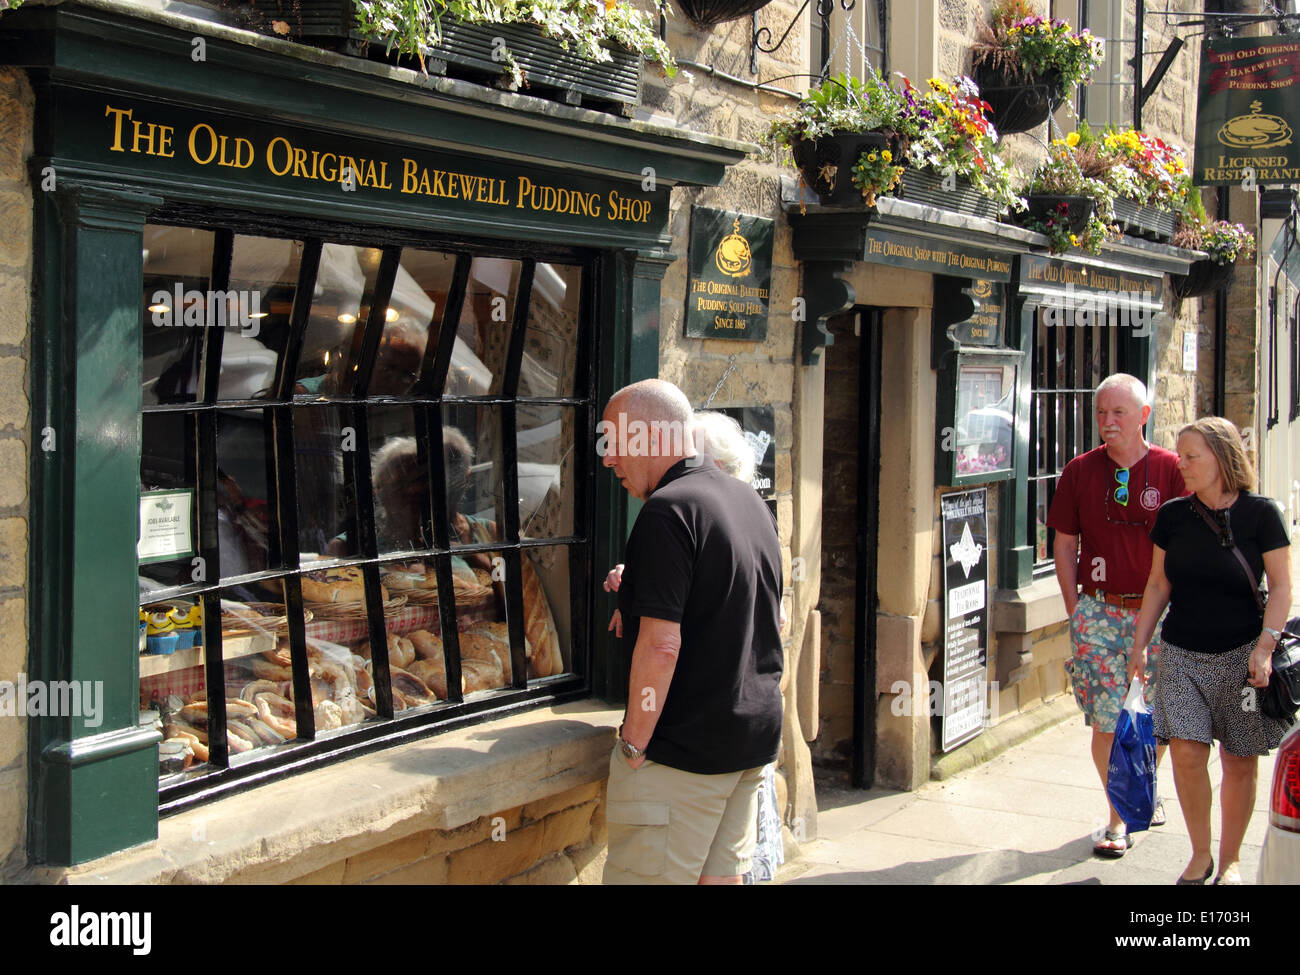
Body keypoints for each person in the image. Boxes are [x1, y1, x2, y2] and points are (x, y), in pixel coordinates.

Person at [598, 380, 783, 885]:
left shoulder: (668, 510)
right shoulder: (748, 501)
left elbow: (662, 644)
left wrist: (634, 743)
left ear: (650, 436)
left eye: (614, 440)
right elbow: (753, 615)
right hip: (748, 744)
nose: (609, 458)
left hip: (682, 754)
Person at [1127, 417, 1292, 884]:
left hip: (1242, 657)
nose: (1181, 464)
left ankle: (1232, 859)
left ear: (1220, 459)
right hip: (1181, 653)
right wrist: (1140, 646)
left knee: (1239, 760)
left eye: (1191, 456)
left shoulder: (1262, 514)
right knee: (1186, 754)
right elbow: (1158, 584)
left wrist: (1264, 648)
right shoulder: (1174, 516)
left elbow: (1281, 588)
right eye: (1180, 455)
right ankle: (1200, 855)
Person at [1047, 373, 1184, 857]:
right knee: (1107, 722)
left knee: (1157, 718)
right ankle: (1118, 818)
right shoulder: (1080, 471)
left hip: (1165, 616)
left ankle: (1147, 785)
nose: (1107, 422)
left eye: (1119, 413)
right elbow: (1065, 544)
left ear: (1144, 416)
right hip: (1100, 613)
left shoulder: (1173, 470)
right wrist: (1074, 608)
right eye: (1101, 412)